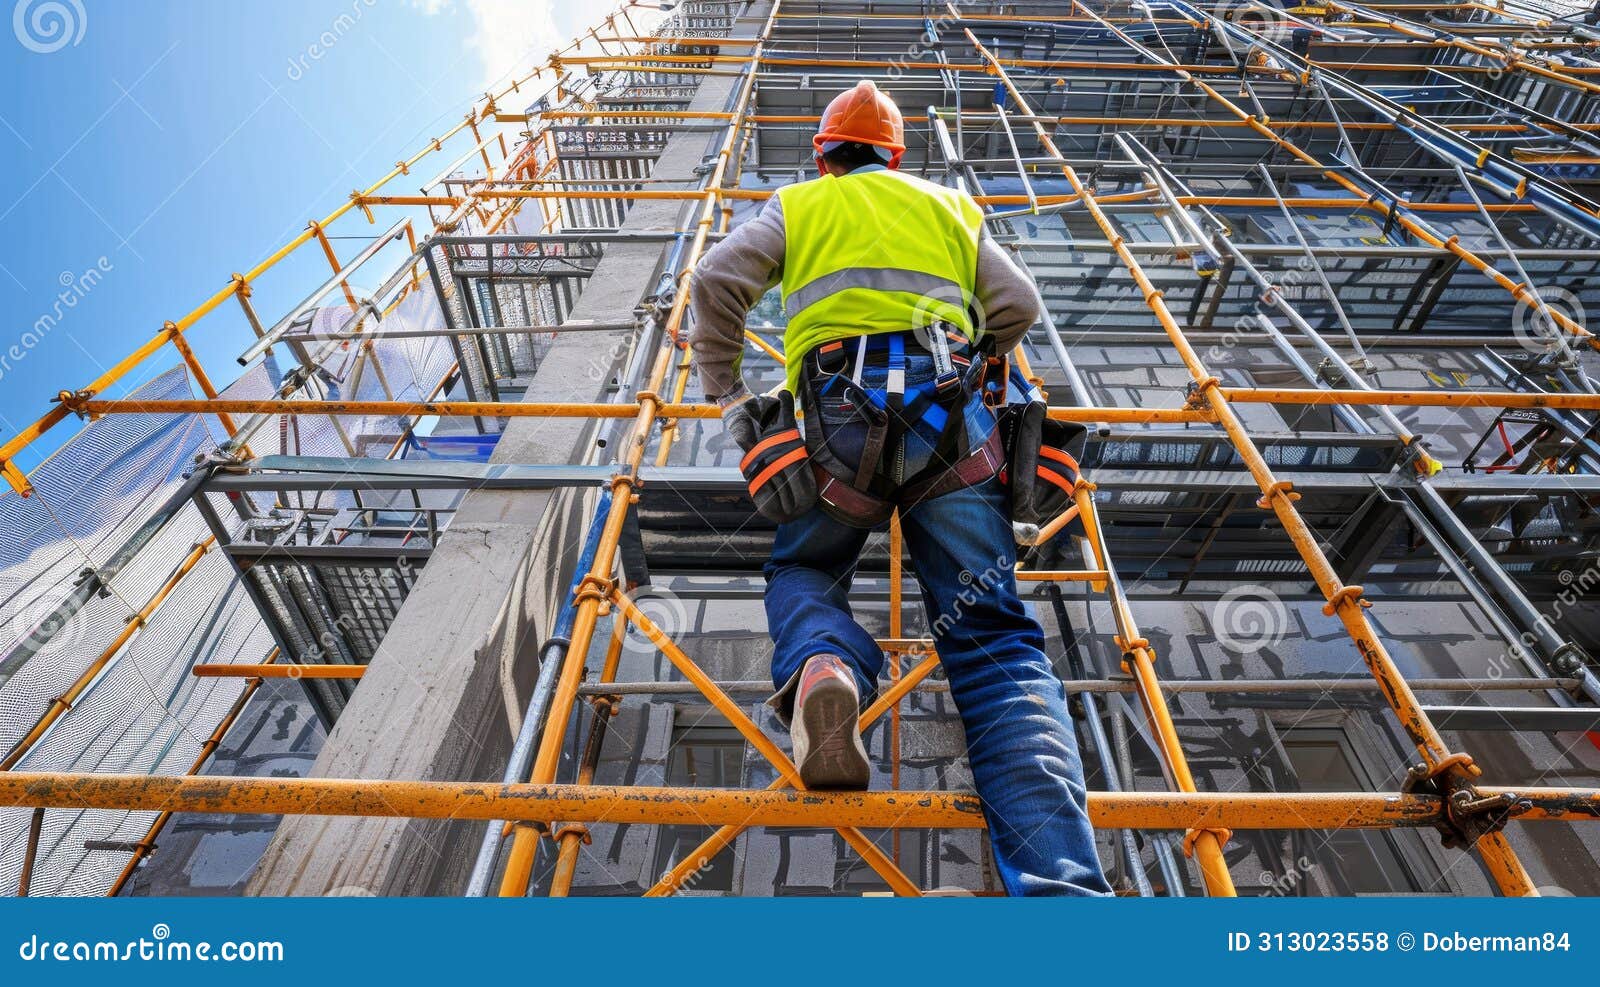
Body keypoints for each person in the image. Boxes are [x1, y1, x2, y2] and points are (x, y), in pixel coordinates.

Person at [688, 80, 1110, 897]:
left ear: (825, 154)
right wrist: (981, 357)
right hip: (954, 432)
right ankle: (1062, 891)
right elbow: (1017, 302)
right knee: (993, 642)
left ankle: (824, 667)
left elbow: (716, 280)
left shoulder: (802, 205)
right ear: (894, 154)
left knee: (807, 572)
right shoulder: (948, 207)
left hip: (833, 431)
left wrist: (732, 397)